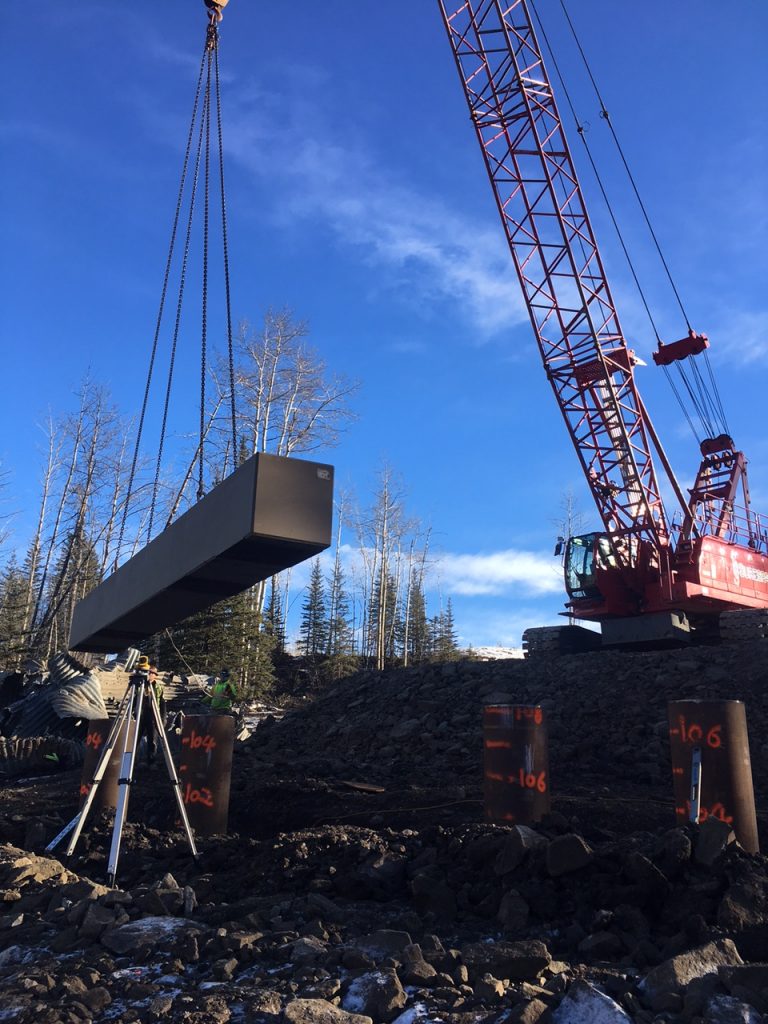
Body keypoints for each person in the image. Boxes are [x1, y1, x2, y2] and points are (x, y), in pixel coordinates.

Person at [135, 658, 166, 764]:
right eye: (148, 672)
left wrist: (163, 718)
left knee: (152, 740)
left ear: (154, 675)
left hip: (153, 716)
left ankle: (151, 761)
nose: (148, 675)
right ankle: (132, 761)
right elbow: (134, 699)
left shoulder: (158, 688)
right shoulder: (139, 685)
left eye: (151, 673)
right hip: (141, 714)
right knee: (135, 738)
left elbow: (162, 704)